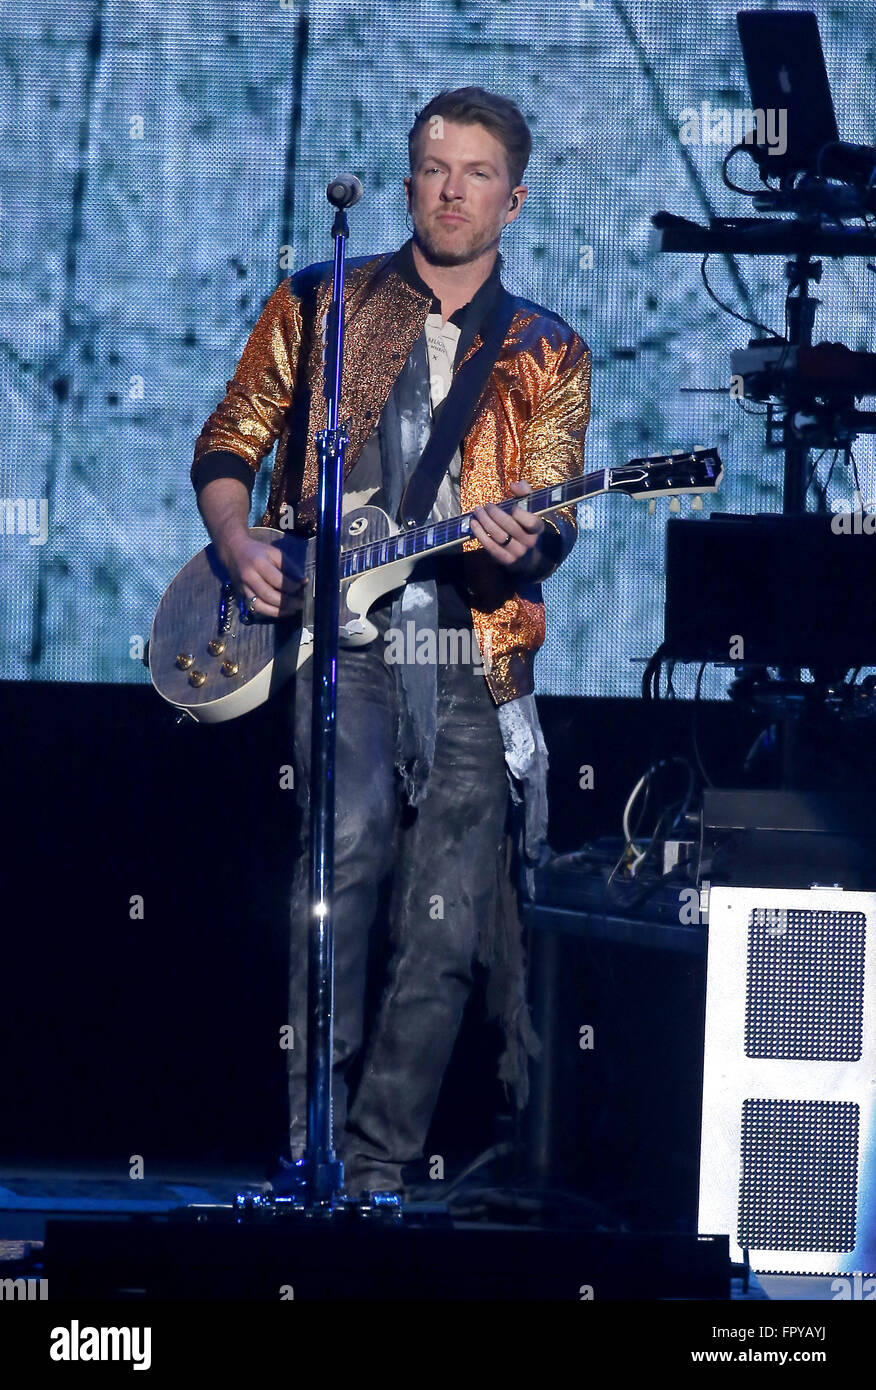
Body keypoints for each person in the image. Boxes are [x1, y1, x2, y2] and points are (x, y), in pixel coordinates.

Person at [190, 87, 591, 1198]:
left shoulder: (547, 350)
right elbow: (230, 439)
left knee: (449, 917)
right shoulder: (323, 301)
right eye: (433, 167)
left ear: (514, 198)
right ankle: (309, 1147)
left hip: (470, 645)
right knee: (349, 846)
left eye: (475, 172)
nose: (450, 189)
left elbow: (552, 516)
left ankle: (375, 1168)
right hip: (343, 643)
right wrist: (236, 543)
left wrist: (525, 543)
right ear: (407, 178)